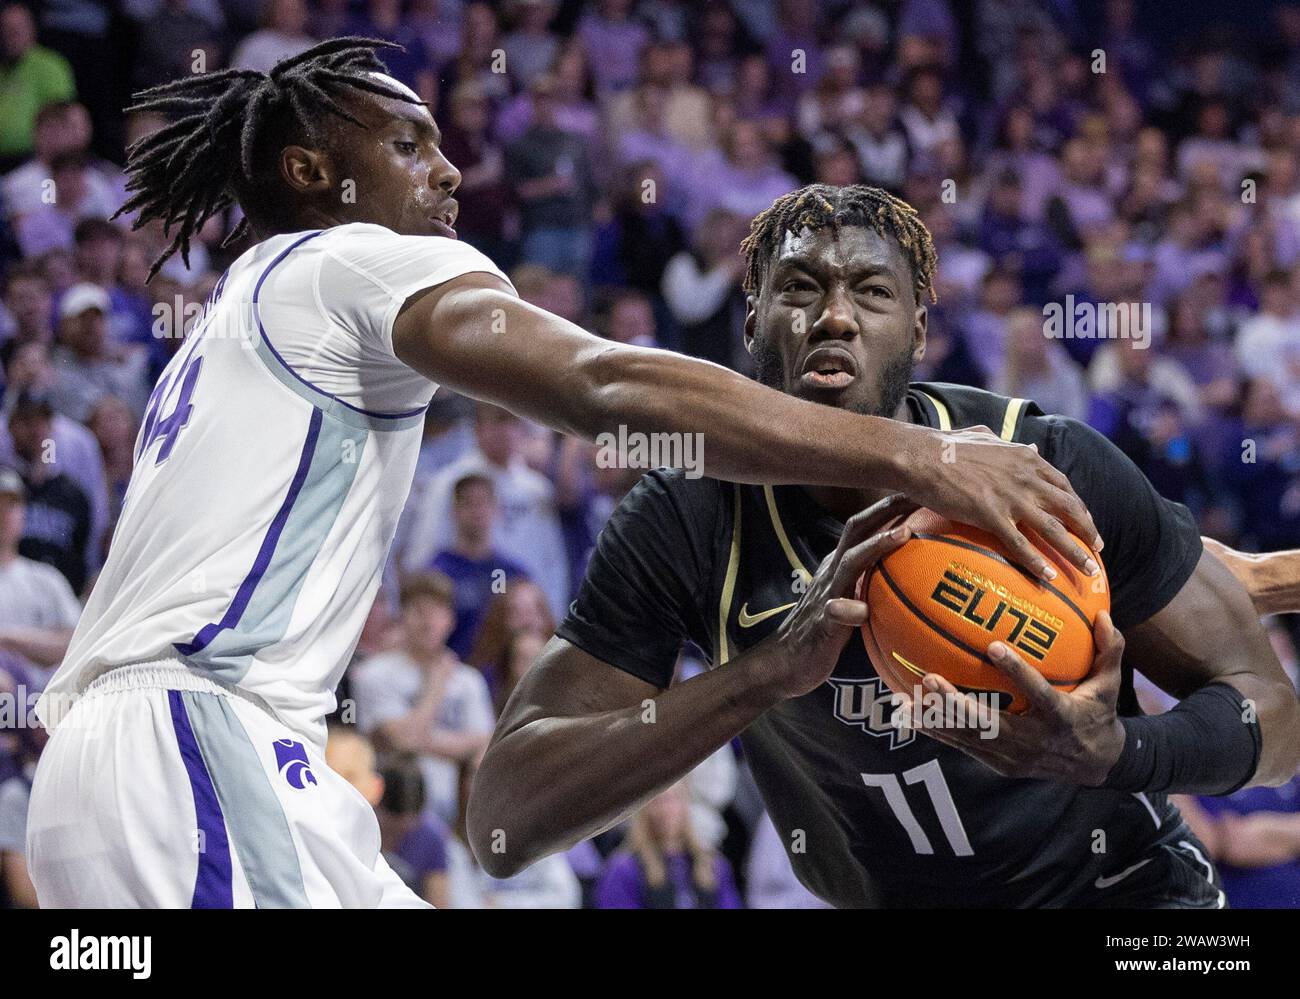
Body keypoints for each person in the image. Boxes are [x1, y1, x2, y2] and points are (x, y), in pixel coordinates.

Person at [26, 41, 1099, 911]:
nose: (447, 171)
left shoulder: (239, 314)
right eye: (408, 143)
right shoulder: (349, 258)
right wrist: (923, 453)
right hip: (192, 747)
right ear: (313, 173)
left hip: (159, 760)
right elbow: (604, 387)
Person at [469, 184, 1300, 908]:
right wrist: (763, 675)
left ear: (919, 328)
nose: (833, 314)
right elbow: (504, 821)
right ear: (752, 317)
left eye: (871, 291)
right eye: (799, 287)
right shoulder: (685, 519)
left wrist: (1117, 750)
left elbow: (1277, 718)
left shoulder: (1045, 462)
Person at [351, 572, 493, 825]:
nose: (428, 620)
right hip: (391, 813)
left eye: (437, 610)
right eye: (418, 609)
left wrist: (417, 736)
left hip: (458, 816)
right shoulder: (374, 674)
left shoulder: (469, 681)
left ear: (450, 620)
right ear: (402, 617)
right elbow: (404, 741)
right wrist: (436, 685)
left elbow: (485, 744)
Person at [594, 782, 742, 909]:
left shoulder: (712, 864)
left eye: (672, 799)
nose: (666, 809)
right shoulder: (623, 869)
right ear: (643, 809)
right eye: (657, 801)